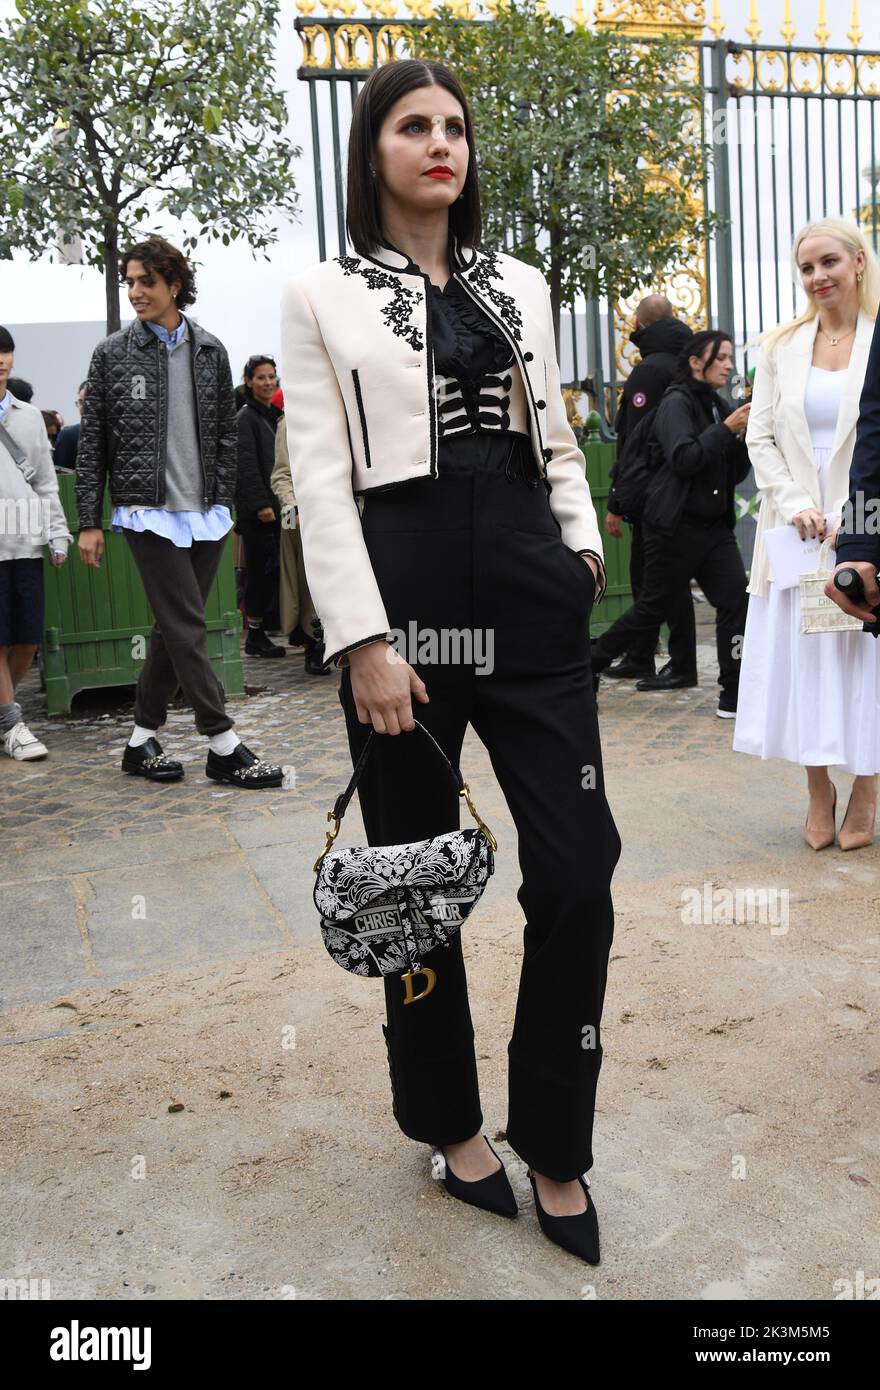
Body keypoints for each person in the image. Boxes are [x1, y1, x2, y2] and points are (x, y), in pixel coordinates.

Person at [280, 58, 622, 1265]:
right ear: (373, 146)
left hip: (530, 593)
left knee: (580, 869)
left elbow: (559, 438)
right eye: (414, 125)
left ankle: (556, 1137)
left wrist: (577, 552)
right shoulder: (318, 291)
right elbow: (319, 481)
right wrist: (362, 638)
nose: (441, 143)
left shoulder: (519, 282)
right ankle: (446, 1124)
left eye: (455, 127)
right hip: (404, 601)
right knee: (412, 881)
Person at [76, 236, 283, 789]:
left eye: (146, 281)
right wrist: (90, 521)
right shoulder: (112, 354)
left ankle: (141, 741)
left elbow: (223, 437)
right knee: (187, 626)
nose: (136, 292)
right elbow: (93, 442)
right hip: (147, 511)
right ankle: (222, 742)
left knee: (172, 631)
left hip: (207, 511)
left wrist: (223, 497)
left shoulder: (210, 350)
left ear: (174, 285)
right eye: (130, 283)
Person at [734, 218, 880, 850]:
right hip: (793, 529)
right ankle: (818, 789)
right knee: (806, 663)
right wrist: (795, 502)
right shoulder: (780, 347)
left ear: (858, 264)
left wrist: (858, 511)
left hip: (866, 519)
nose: (817, 277)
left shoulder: (878, 340)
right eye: (805, 267)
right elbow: (759, 433)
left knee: (862, 662)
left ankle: (867, 787)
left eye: (828, 263)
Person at [591, 331, 752, 717]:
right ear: (697, 361)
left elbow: (735, 468)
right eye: (722, 358)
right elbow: (683, 457)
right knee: (651, 608)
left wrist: (742, 438)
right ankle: (590, 661)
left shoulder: (715, 404)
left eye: (731, 357)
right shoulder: (675, 403)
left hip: (714, 529)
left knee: (735, 602)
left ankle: (734, 692)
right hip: (674, 527)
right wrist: (725, 430)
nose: (730, 366)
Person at [604, 297, 696, 685]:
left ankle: (668, 662)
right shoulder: (685, 364)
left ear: (639, 323)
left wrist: (618, 500)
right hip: (681, 491)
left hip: (651, 496)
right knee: (664, 579)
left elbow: (634, 443)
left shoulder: (648, 371)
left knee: (654, 581)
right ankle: (644, 655)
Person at [0, 325, 72, 760]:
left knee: (26, 641)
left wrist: (57, 533)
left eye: (6, 351)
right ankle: (11, 724)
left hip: (24, 538)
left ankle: (4, 715)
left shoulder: (27, 416)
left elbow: (46, 484)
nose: (1, 359)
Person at [234, 354, 286, 658]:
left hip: (278, 507)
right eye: (261, 377)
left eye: (271, 377)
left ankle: (264, 629)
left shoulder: (274, 414)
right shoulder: (246, 418)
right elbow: (246, 466)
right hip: (260, 512)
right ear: (249, 381)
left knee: (274, 571)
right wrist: (260, 505)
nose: (268, 382)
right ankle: (255, 633)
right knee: (260, 572)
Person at [270, 408, 328, 675]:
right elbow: (282, 475)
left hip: (343, 509)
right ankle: (313, 645)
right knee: (307, 586)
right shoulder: (289, 421)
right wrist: (293, 509)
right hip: (303, 514)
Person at [54, 382, 86, 472]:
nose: (83, 407)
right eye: (81, 402)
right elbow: (61, 475)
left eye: (89, 401)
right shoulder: (69, 435)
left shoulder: (117, 433)